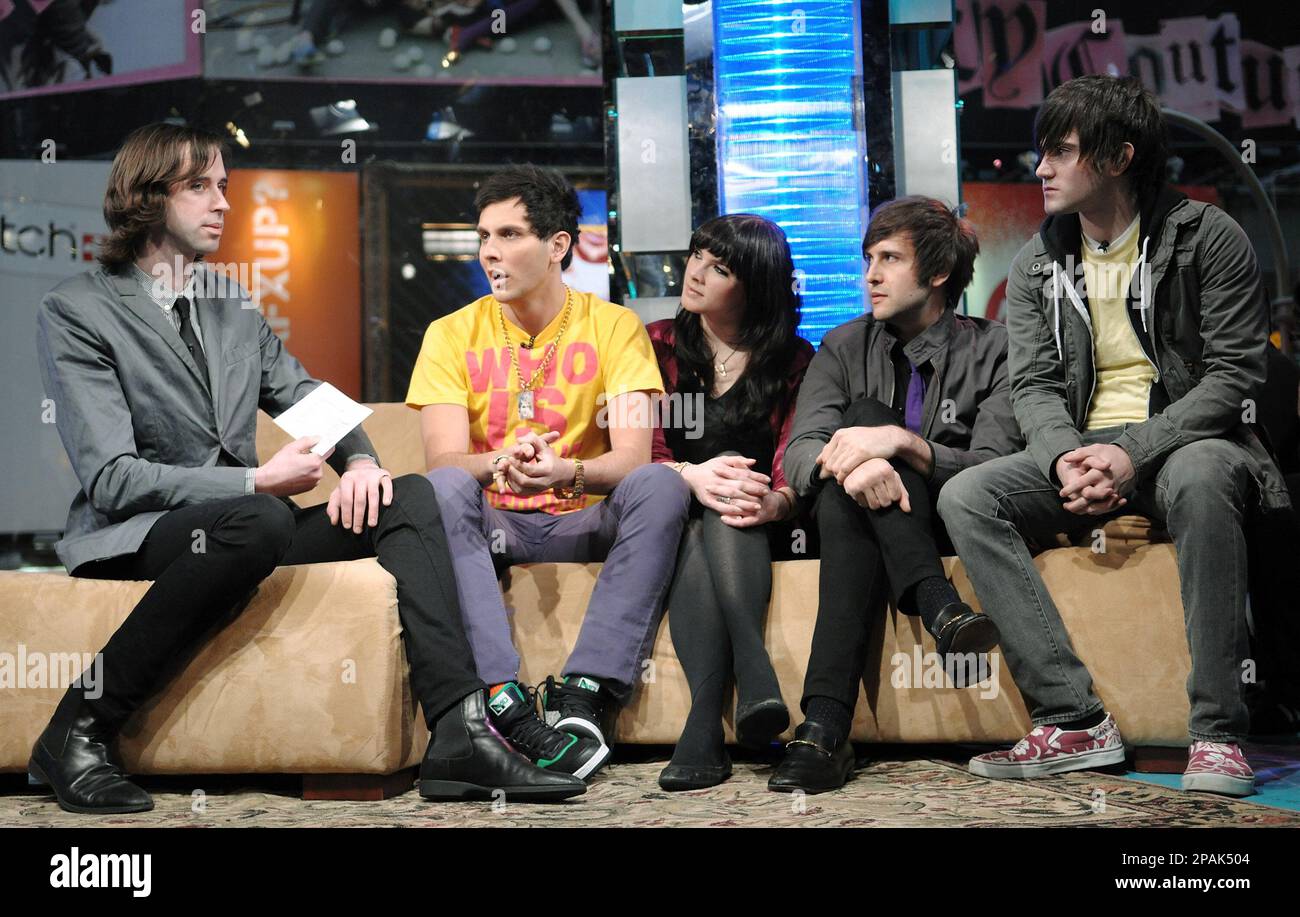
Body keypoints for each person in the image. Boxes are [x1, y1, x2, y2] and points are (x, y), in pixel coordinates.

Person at [30, 123, 583, 813]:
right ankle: (76, 729)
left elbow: (307, 398)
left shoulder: (230, 306)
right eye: (199, 186)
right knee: (259, 515)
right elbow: (112, 477)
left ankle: (459, 731)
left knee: (408, 495)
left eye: (224, 186)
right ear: (146, 197)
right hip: (139, 530)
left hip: (244, 526)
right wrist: (255, 480)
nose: (222, 202)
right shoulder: (78, 309)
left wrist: (358, 464)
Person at [938, 75, 1291, 797]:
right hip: (1080, 448)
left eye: (1061, 151)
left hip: (1186, 443)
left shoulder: (1205, 236)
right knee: (970, 493)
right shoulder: (1039, 261)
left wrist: (1131, 452)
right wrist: (1065, 455)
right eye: (1043, 152)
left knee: (1198, 476)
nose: (1040, 168)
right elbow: (1031, 385)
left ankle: (1219, 732)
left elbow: (1234, 376)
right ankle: (1072, 715)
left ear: (1120, 156)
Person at [411, 164, 691, 783]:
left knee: (660, 483)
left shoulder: (614, 327)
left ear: (558, 245)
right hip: (495, 521)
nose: (490, 252)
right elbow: (445, 461)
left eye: (510, 234)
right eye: (484, 236)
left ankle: (585, 693)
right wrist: (499, 463)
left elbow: (630, 461)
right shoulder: (450, 334)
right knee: (442, 487)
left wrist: (564, 471)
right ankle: (500, 697)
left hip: (582, 517)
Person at [770, 196, 1022, 794]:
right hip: (852, 515)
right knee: (851, 453)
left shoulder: (996, 349)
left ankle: (825, 726)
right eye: (867, 259)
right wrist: (855, 463)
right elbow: (802, 452)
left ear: (937, 273)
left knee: (868, 428)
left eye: (889, 259)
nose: (871, 276)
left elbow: (993, 467)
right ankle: (936, 601)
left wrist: (901, 445)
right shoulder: (842, 344)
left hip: (948, 519)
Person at [647, 214, 814, 791]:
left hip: (758, 521)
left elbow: (795, 451)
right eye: (697, 255)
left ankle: (702, 729)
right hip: (674, 508)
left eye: (719, 268)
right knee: (698, 514)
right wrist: (692, 474)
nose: (695, 272)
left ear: (754, 287)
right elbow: (646, 449)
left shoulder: (793, 359)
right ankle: (754, 671)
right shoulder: (659, 346)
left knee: (727, 507)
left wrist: (777, 502)